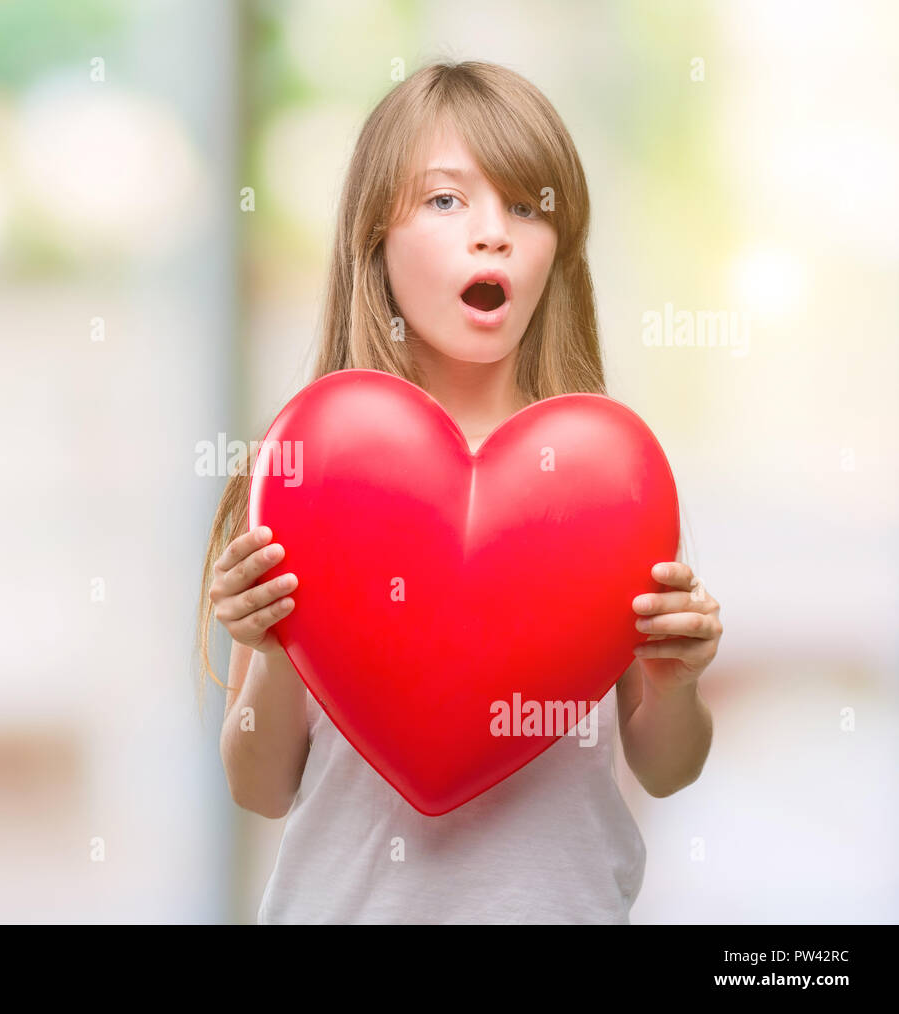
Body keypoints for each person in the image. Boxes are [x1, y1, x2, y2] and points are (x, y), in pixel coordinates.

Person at [194, 60, 722, 924]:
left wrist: (675, 684)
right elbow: (259, 786)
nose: (494, 234)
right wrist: (278, 641)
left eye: (527, 206)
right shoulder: (310, 472)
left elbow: (667, 767)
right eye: (446, 201)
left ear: (559, 246)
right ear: (375, 237)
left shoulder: (605, 481)